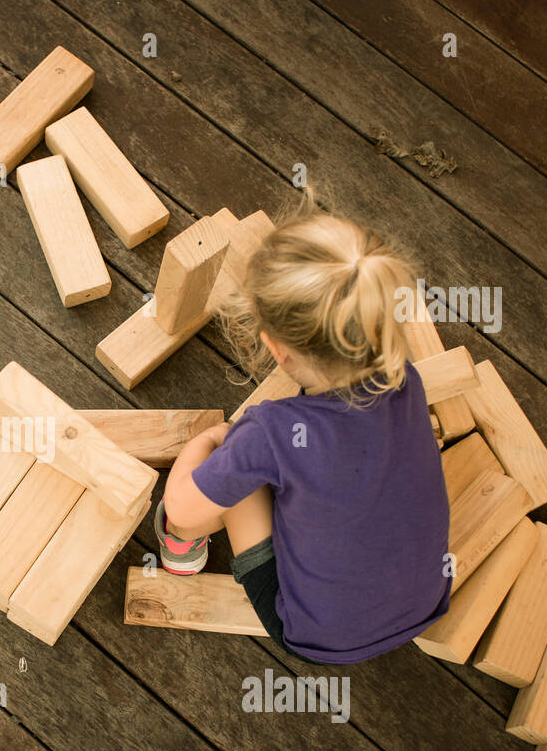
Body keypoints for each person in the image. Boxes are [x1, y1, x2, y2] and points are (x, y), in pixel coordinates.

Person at [155, 207, 450, 663]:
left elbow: (185, 508)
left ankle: (179, 551)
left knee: (222, 482)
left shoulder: (269, 432)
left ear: (274, 346)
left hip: (318, 635)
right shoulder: (404, 377)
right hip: (423, 604)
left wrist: (209, 443)